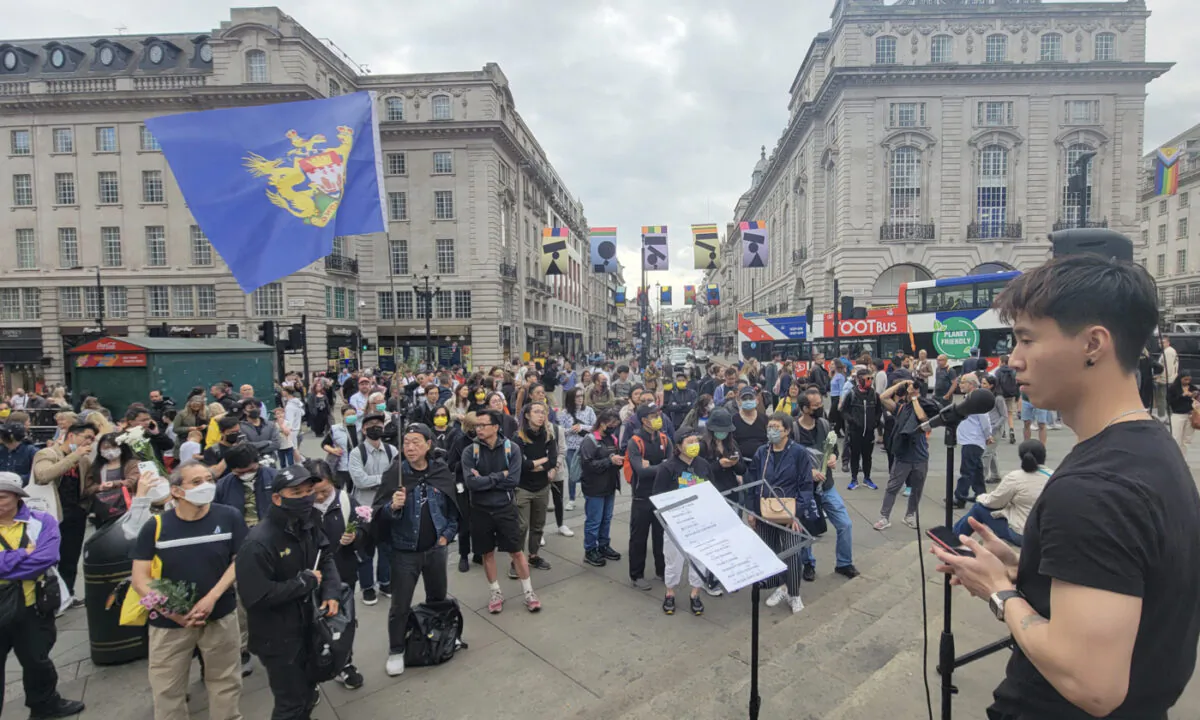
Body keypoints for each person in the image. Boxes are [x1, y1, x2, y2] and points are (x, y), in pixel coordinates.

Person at [930, 254, 1200, 720]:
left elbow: (1092, 684)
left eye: (1027, 339)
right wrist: (1026, 567)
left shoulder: (1094, 490)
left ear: (1093, 343)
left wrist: (998, 592)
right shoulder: (1150, 447)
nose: (1013, 360)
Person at [132, 461, 244, 720]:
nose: (206, 486)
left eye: (208, 479)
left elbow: (239, 561)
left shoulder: (229, 517)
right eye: (196, 482)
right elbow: (140, 579)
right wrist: (173, 612)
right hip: (168, 625)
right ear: (176, 492)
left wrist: (212, 597)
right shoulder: (156, 526)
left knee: (226, 681)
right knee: (167, 689)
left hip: (221, 616)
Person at [237, 465, 340, 720]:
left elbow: (324, 555)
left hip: (307, 627)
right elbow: (255, 596)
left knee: (306, 693)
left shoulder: (307, 522)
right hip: (278, 639)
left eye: (309, 490)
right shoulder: (258, 542)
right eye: (296, 492)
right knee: (290, 704)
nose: (306, 497)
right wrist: (303, 583)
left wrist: (331, 590)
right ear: (277, 498)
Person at [372, 424, 458, 677]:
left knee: (437, 598)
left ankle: (440, 637)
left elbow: (452, 509)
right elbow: (379, 513)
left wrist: (446, 537)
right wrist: (392, 507)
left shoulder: (440, 471)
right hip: (404, 553)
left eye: (416, 442)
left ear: (428, 444)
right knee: (400, 605)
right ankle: (396, 649)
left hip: (435, 550)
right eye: (406, 442)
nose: (410, 447)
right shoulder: (395, 474)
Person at [0, 473, 86, 719]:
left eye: (2, 497)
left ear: (17, 497)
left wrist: (9, 565)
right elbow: (32, 560)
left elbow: (45, 560)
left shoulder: (41, 522)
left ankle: (45, 705)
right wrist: (21, 555)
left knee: (37, 660)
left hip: (34, 606)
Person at [462, 409, 540, 613]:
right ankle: (495, 592)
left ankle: (528, 592)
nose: (478, 429)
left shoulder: (511, 448)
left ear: (495, 427)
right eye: (476, 426)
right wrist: (499, 476)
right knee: (487, 553)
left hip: (505, 509)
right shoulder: (470, 451)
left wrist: (485, 479)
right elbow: (471, 483)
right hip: (480, 510)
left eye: (482, 425)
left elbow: (513, 480)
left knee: (516, 551)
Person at [304, 459, 364, 691]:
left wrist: (356, 536)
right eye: (313, 493)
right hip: (311, 578)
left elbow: (363, 525)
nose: (319, 497)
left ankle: (343, 663)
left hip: (344, 574)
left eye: (324, 491)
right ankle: (310, 677)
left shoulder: (346, 501)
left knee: (343, 623)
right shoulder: (301, 509)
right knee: (310, 627)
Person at [792, 388, 858, 579]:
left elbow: (833, 447)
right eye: (816, 406)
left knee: (845, 524)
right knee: (806, 530)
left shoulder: (824, 424)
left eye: (821, 404)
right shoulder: (794, 430)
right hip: (804, 491)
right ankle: (808, 564)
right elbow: (789, 461)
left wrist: (833, 457)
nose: (820, 408)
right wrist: (807, 472)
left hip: (826, 486)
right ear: (804, 409)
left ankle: (844, 563)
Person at [751, 413, 812, 615]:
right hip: (765, 510)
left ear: (786, 430)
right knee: (770, 551)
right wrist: (753, 511)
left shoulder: (798, 453)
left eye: (776, 427)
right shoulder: (762, 452)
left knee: (792, 552)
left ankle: (794, 593)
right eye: (769, 427)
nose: (772, 431)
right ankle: (780, 586)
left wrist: (797, 514)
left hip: (789, 511)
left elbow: (805, 485)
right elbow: (754, 483)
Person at [31, 422, 96, 607]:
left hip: (75, 513)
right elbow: (42, 475)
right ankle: (46, 596)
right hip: (51, 513)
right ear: (72, 436)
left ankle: (68, 595)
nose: (89, 442)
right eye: (86, 437)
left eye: (92, 439)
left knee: (71, 556)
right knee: (49, 556)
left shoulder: (84, 460)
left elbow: (88, 484)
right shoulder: (47, 453)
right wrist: (74, 456)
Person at [652, 428, 713, 616]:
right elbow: (657, 496)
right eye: (689, 442)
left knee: (699, 560)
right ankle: (670, 592)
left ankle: (695, 594)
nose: (694, 445)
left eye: (696, 441)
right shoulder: (667, 468)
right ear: (679, 446)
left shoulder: (703, 465)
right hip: (675, 523)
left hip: (699, 521)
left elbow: (711, 491)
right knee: (673, 560)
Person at [952, 440, 1050, 547]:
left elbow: (993, 502)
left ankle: (953, 540)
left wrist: (980, 497)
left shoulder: (1015, 477)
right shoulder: (1055, 476)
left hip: (1023, 535)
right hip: (1048, 535)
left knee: (978, 508)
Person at [348, 413, 397, 606]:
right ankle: (367, 587)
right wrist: (384, 480)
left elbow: (396, 475)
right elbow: (359, 480)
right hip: (364, 509)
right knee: (365, 550)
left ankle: (385, 582)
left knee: (386, 548)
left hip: (385, 508)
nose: (375, 427)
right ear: (363, 429)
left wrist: (380, 481)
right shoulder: (356, 453)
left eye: (379, 423)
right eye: (370, 424)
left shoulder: (391, 449)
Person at [874, 379, 934, 530]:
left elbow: (923, 419)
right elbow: (883, 397)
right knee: (892, 487)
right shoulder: (901, 409)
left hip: (920, 456)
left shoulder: (924, 407)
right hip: (903, 456)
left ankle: (910, 515)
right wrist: (901, 385)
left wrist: (914, 398)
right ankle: (884, 517)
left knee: (917, 488)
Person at [625, 402, 671, 591]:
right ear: (644, 420)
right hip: (642, 497)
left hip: (661, 496)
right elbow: (640, 472)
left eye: (658, 414)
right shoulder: (635, 442)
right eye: (653, 416)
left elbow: (672, 466)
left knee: (661, 536)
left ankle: (662, 571)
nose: (657, 418)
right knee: (639, 538)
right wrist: (662, 466)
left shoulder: (664, 439)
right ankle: (637, 575)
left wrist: (652, 466)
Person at [512, 402, 557, 575]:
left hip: (542, 487)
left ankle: (533, 555)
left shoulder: (548, 436)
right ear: (527, 415)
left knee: (538, 525)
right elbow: (521, 465)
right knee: (522, 526)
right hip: (523, 488)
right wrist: (540, 462)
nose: (541, 415)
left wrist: (534, 465)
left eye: (543, 412)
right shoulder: (518, 437)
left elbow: (552, 461)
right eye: (537, 412)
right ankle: (516, 560)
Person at [578, 409, 623, 568]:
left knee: (606, 518)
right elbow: (588, 465)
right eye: (612, 424)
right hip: (594, 487)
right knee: (594, 520)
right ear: (602, 423)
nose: (614, 427)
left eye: (616, 425)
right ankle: (590, 550)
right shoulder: (590, 440)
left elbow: (614, 459)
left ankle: (604, 545)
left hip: (609, 485)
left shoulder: (613, 439)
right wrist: (610, 461)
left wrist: (618, 462)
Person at [952, 372, 993, 507]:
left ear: (971, 384)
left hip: (973, 440)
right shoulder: (969, 398)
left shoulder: (977, 399)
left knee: (967, 470)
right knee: (976, 469)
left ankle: (960, 497)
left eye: (963, 382)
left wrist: (988, 436)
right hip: (970, 439)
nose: (960, 384)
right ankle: (980, 494)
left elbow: (984, 420)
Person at [82, 432, 139, 525]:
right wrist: (99, 488)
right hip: (104, 511)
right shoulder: (96, 467)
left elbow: (133, 480)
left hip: (129, 508)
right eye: (105, 448)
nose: (110, 451)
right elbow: (87, 488)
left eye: (114, 447)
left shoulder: (132, 464)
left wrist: (114, 484)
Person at [840, 368, 881, 490]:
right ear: (859, 380)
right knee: (855, 456)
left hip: (869, 432)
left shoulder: (874, 395)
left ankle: (867, 478)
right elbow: (843, 410)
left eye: (871, 379)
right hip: (855, 432)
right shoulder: (852, 394)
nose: (870, 381)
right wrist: (852, 421)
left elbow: (879, 411)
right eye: (867, 379)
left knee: (867, 456)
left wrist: (875, 422)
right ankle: (854, 479)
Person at [557, 388, 595, 512]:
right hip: (571, 448)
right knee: (573, 474)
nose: (580, 398)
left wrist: (582, 427)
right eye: (577, 396)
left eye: (582, 396)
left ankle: (588, 496)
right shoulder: (564, 413)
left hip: (586, 447)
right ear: (571, 398)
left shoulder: (589, 410)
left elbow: (595, 427)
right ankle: (572, 499)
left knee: (587, 472)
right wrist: (571, 430)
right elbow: (560, 431)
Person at [980, 375, 1010, 483]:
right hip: (986, 428)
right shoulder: (984, 396)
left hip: (995, 429)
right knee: (991, 453)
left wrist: (994, 427)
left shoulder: (998, 398)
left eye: (984, 384)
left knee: (986, 454)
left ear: (991, 385)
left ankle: (981, 477)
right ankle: (996, 475)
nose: (982, 385)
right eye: (982, 383)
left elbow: (1004, 415)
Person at [1165, 373, 1199, 450]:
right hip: (1178, 414)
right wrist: (1182, 395)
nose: (1187, 382)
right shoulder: (1173, 388)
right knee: (1176, 437)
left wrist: (1195, 395)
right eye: (1185, 379)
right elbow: (1170, 400)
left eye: (1189, 380)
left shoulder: (1192, 388)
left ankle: (1183, 457)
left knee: (1187, 439)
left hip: (1190, 415)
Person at [0, 422, 36, 486]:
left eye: (2, 434)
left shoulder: (31, 451)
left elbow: (35, 474)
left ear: (12, 437)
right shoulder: (1, 450)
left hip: (23, 490)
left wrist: (17, 480)